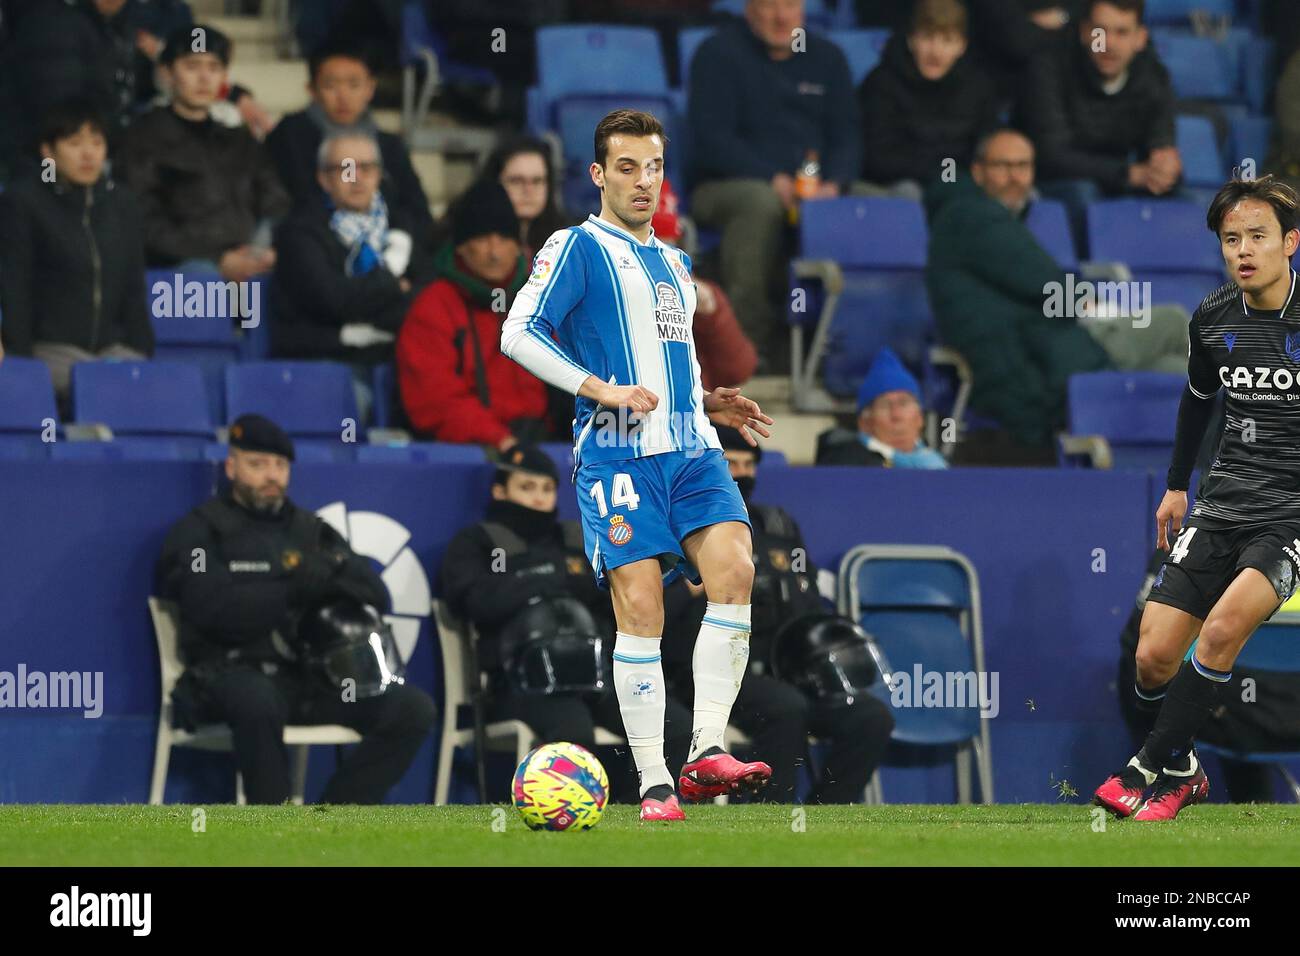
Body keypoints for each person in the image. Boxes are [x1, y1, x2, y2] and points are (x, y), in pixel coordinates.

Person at [501, 108, 777, 822]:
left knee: (737, 571)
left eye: (653, 168)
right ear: (598, 174)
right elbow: (517, 333)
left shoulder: (676, 263)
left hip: (692, 448)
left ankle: (704, 753)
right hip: (617, 454)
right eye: (627, 167)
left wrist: (708, 399)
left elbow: (667, 358)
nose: (643, 181)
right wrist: (600, 389)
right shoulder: (574, 247)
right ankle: (654, 782)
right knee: (643, 608)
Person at [1092, 175, 1300, 821]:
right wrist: (1178, 485)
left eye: (1257, 237)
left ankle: (1145, 767)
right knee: (1153, 656)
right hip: (1222, 501)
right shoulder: (1213, 317)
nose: (1243, 250)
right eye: (1231, 239)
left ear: (1291, 242)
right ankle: (1184, 769)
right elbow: (1197, 404)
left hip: (1292, 511)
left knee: (1219, 632)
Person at [155, 414, 437, 804]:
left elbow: (374, 593)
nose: (271, 476)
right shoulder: (201, 532)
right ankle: (274, 830)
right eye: (258, 464)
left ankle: (333, 822)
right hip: (229, 674)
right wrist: (289, 590)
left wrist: (329, 575)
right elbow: (210, 608)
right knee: (256, 699)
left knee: (411, 709)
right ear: (231, 467)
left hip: (308, 679)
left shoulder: (311, 531)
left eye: (280, 466)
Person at [440, 445, 694, 802]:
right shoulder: (478, 542)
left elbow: (619, 599)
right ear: (500, 491)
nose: (538, 499)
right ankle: (569, 826)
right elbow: (473, 601)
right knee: (572, 726)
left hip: (598, 677)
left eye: (546, 489)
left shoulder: (577, 539)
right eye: (526, 488)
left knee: (675, 723)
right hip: (523, 684)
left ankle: (646, 808)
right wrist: (546, 582)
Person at [663, 426, 896, 802]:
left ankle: (825, 815)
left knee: (869, 716)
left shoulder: (777, 526)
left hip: (786, 668)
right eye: (729, 463)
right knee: (786, 707)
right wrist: (693, 587)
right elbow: (655, 615)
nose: (740, 473)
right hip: (711, 676)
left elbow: (807, 600)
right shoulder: (680, 524)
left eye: (747, 464)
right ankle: (767, 812)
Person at [926, 127, 1190, 447]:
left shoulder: (970, 217)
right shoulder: (973, 217)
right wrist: (1101, 310)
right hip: (1047, 366)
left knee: (1178, 372)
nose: (1015, 177)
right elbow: (1047, 284)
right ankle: (1259, 392)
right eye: (1003, 166)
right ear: (978, 170)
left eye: (1024, 167)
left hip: (1047, 355)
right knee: (1174, 321)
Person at [688, 0, 859, 358]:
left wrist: (835, 184)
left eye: (790, 5)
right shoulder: (717, 54)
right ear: (749, 8)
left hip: (816, 187)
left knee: (874, 206)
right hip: (724, 184)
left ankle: (849, 347)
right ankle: (749, 346)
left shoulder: (827, 58)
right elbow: (712, 140)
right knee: (760, 203)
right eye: (770, 5)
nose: (782, 17)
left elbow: (848, 136)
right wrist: (772, 179)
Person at [0, 98, 153, 407]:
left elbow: (134, 286)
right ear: (48, 152)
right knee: (98, 391)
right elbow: (15, 286)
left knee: (154, 393)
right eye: (74, 143)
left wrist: (141, 348)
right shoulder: (23, 203)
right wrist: (21, 362)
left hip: (114, 351)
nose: (88, 154)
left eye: (97, 142)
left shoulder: (123, 205)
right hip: (51, 350)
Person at [271, 131, 433, 421]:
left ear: (380, 174)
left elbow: (425, 301)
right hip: (327, 363)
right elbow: (334, 301)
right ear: (324, 179)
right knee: (349, 406)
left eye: (367, 168)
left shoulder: (403, 228)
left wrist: (369, 300)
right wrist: (392, 283)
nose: (357, 178)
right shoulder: (299, 233)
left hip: (397, 358)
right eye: (345, 168)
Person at [119, 24, 289, 278]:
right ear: (167, 73)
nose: (204, 78)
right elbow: (143, 222)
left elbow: (275, 201)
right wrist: (217, 259)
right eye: (191, 66)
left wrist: (264, 249)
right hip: (179, 272)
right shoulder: (141, 138)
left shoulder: (240, 139)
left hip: (251, 261)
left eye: (213, 68)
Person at [1016, 0, 1181, 251]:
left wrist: (1165, 166)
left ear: (1140, 38)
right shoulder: (1048, 67)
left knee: (1185, 202)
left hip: (1116, 179)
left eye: (1122, 32)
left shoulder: (1153, 75)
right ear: (1084, 32)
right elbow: (1052, 156)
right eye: (1099, 32)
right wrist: (1128, 174)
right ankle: (1098, 280)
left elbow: (1160, 141)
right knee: (1085, 195)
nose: (1109, 44)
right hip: (1056, 181)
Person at [398, 179, 551, 449]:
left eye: (504, 239)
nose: (494, 252)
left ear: (518, 246)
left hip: (548, 446)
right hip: (468, 450)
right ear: (460, 246)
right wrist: (500, 440)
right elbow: (435, 400)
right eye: (482, 239)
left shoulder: (543, 298)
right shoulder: (433, 306)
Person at [264, 40, 433, 240]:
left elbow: (417, 210)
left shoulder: (389, 145)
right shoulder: (291, 134)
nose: (343, 96)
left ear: (370, 89)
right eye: (330, 85)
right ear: (311, 90)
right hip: (311, 240)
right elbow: (295, 200)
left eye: (354, 85)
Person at [857, 0, 999, 195]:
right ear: (911, 40)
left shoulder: (978, 84)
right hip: (904, 184)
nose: (936, 51)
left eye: (947, 40)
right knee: (909, 192)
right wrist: (941, 172)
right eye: (927, 38)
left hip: (961, 181)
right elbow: (877, 158)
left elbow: (988, 143)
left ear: (962, 46)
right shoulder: (881, 83)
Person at [651, 179, 758, 391]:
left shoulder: (696, 292)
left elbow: (739, 370)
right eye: (654, 246)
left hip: (687, 415)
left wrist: (710, 311)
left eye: (670, 246)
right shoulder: (599, 285)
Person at [816, 348, 949, 467]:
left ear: (920, 418)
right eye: (885, 406)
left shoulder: (936, 464)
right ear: (865, 423)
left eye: (904, 403)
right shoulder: (846, 465)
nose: (896, 415)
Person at [479, 135, 573, 259]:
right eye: (516, 181)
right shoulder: (473, 247)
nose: (529, 190)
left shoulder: (566, 244)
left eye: (537, 181)